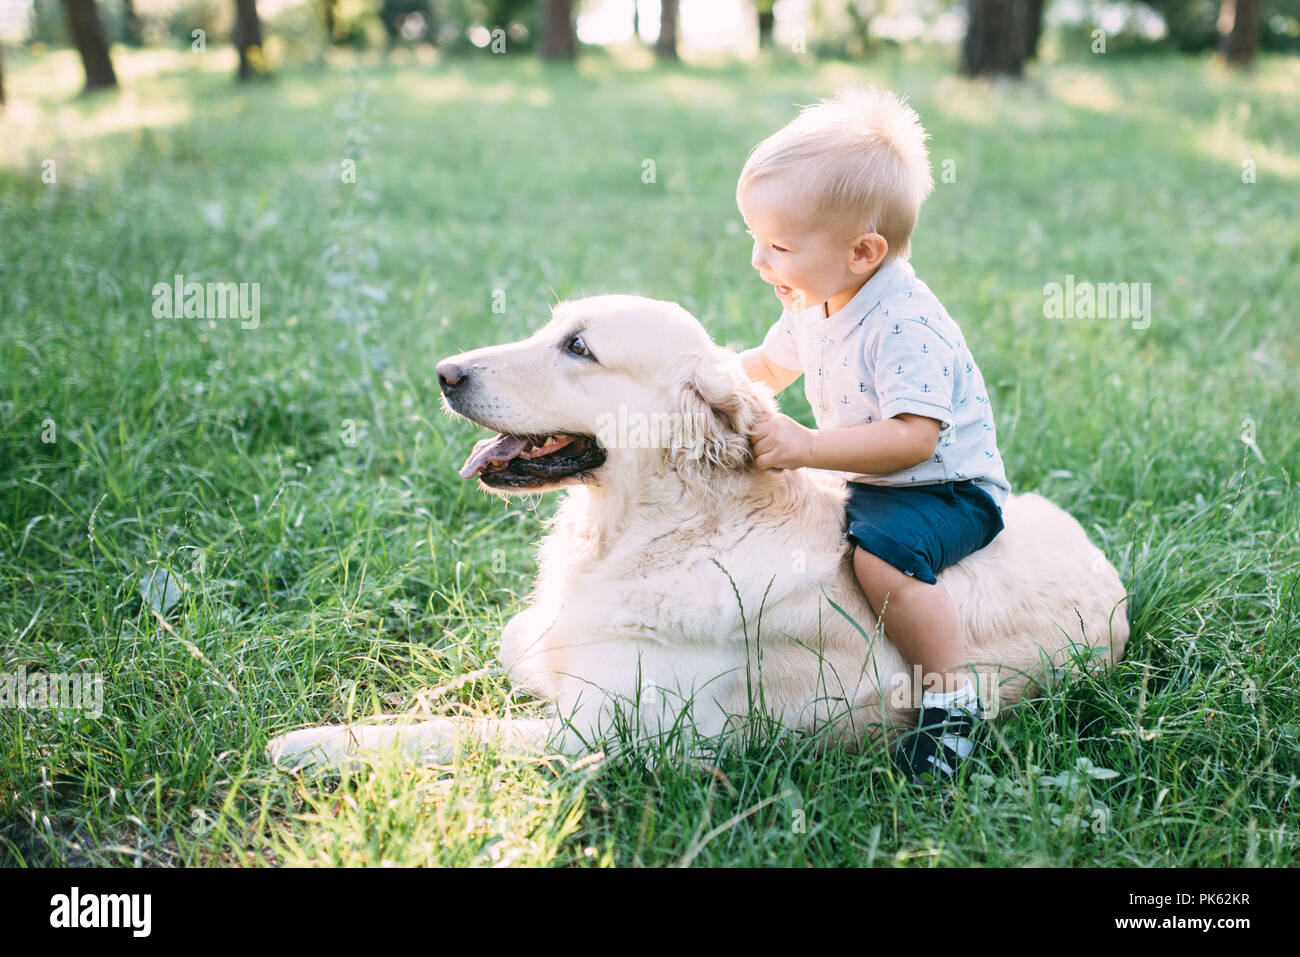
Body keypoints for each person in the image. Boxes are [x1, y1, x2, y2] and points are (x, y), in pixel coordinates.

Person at [735, 87, 1011, 783]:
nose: (759, 261)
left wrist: (804, 447)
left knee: (879, 559)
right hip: (874, 473)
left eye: (779, 245)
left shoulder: (904, 324)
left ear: (863, 251)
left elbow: (913, 439)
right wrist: (706, 382)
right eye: (754, 240)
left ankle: (950, 703)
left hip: (944, 488)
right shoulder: (814, 297)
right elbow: (769, 365)